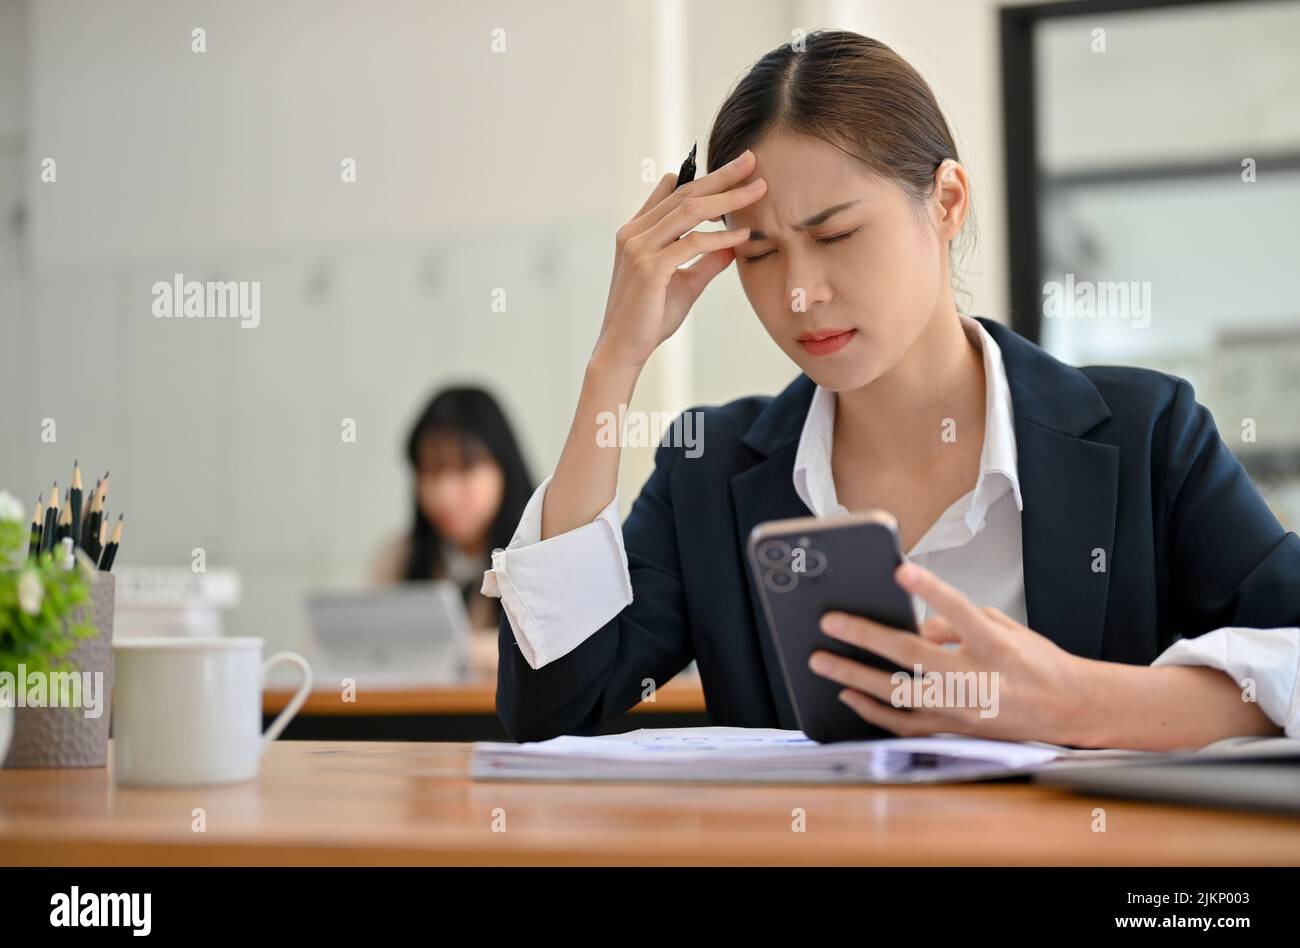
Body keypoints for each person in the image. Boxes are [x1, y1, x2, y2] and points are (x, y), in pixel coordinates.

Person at [482, 30, 1299, 746]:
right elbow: (555, 707)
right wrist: (614, 362)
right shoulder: (710, 470)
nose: (799, 293)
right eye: (759, 253)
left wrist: (1078, 702)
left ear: (946, 202)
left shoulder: (1146, 433)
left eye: (836, 235)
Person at [374, 386, 533, 675]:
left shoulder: (542, 554)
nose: (445, 493)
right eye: (431, 470)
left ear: (504, 468)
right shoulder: (398, 559)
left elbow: (556, 655)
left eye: (465, 468)